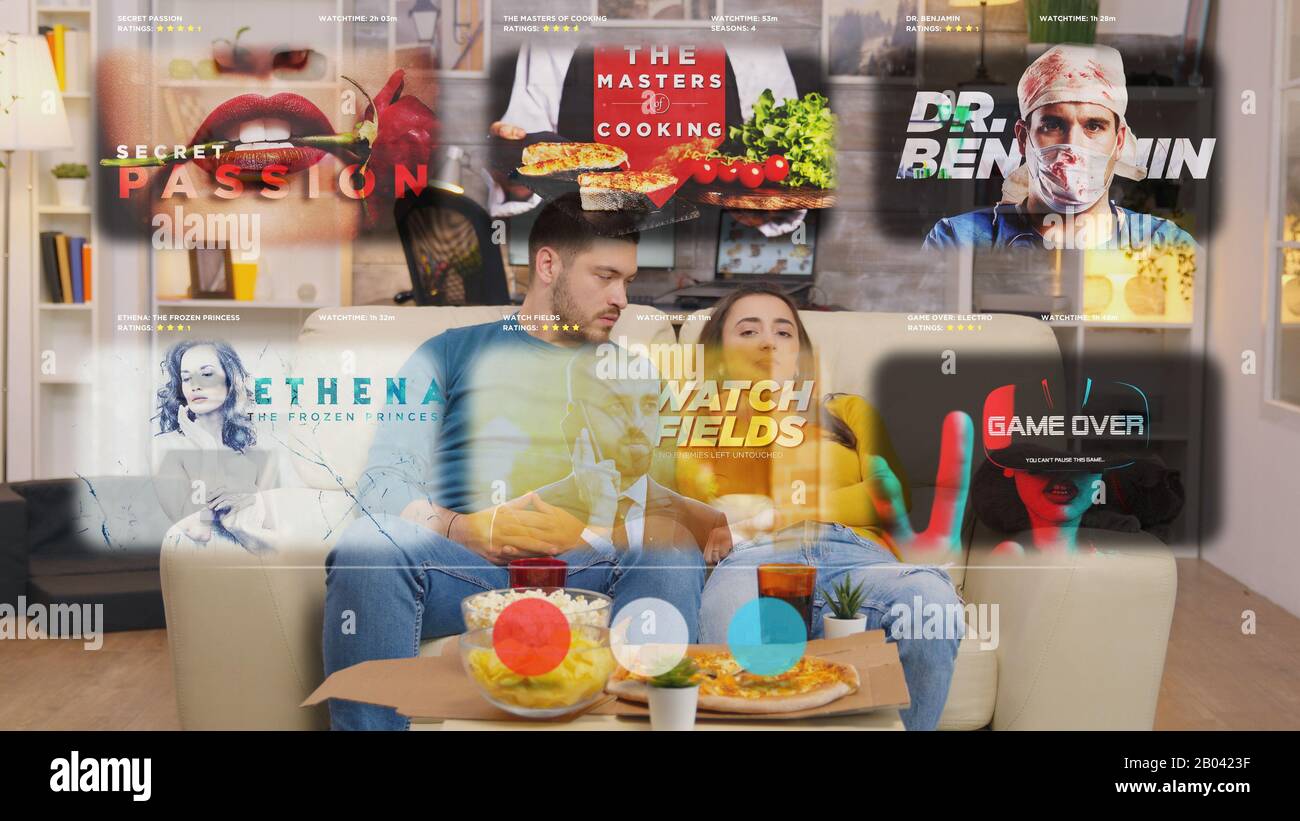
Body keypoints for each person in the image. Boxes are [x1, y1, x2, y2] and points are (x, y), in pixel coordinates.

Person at [322, 195, 715, 730]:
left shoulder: (637, 376)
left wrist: (594, 530)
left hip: (587, 573)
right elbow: (383, 483)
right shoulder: (447, 353)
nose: (621, 297)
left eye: (627, 279)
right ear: (548, 265)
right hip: (464, 575)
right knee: (370, 543)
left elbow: (664, 503)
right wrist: (465, 528)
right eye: (604, 276)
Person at [680, 285, 971, 731]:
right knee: (734, 622)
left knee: (929, 601)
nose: (768, 342)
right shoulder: (698, 422)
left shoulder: (849, 412)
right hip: (754, 562)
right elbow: (700, 514)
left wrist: (772, 513)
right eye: (748, 331)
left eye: (784, 332)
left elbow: (887, 496)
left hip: (856, 555)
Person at [922, 44, 1196, 252]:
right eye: (1053, 125)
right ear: (1022, 137)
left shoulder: (1165, 247)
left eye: (1094, 126)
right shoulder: (957, 241)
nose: (1073, 146)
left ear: (1120, 140)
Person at [152, 340, 280, 552]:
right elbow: (199, 531)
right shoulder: (166, 447)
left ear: (230, 380)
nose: (195, 385)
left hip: (252, 572)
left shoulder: (257, 455)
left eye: (207, 374)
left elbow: (273, 545)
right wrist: (207, 447)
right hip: (196, 570)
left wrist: (247, 512)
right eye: (186, 378)